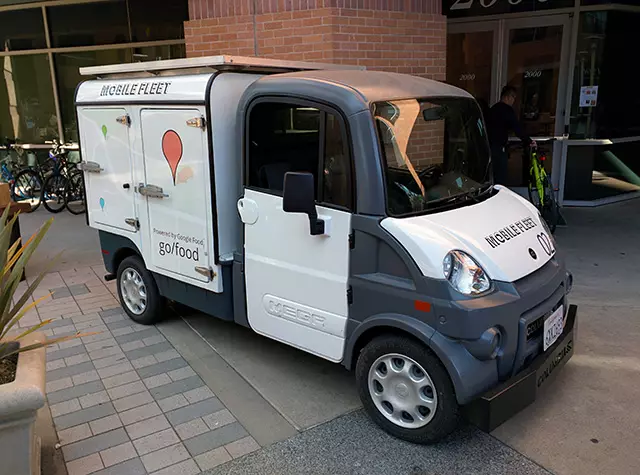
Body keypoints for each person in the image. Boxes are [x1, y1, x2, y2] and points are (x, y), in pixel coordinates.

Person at [487, 86, 534, 185]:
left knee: (492, 177)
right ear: (508, 97)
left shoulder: (493, 109)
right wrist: (529, 141)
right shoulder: (507, 111)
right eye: (513, 98)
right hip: (499, 148)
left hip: (489, 147)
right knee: (500, 178)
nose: (514, 101)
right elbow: (517, 128)